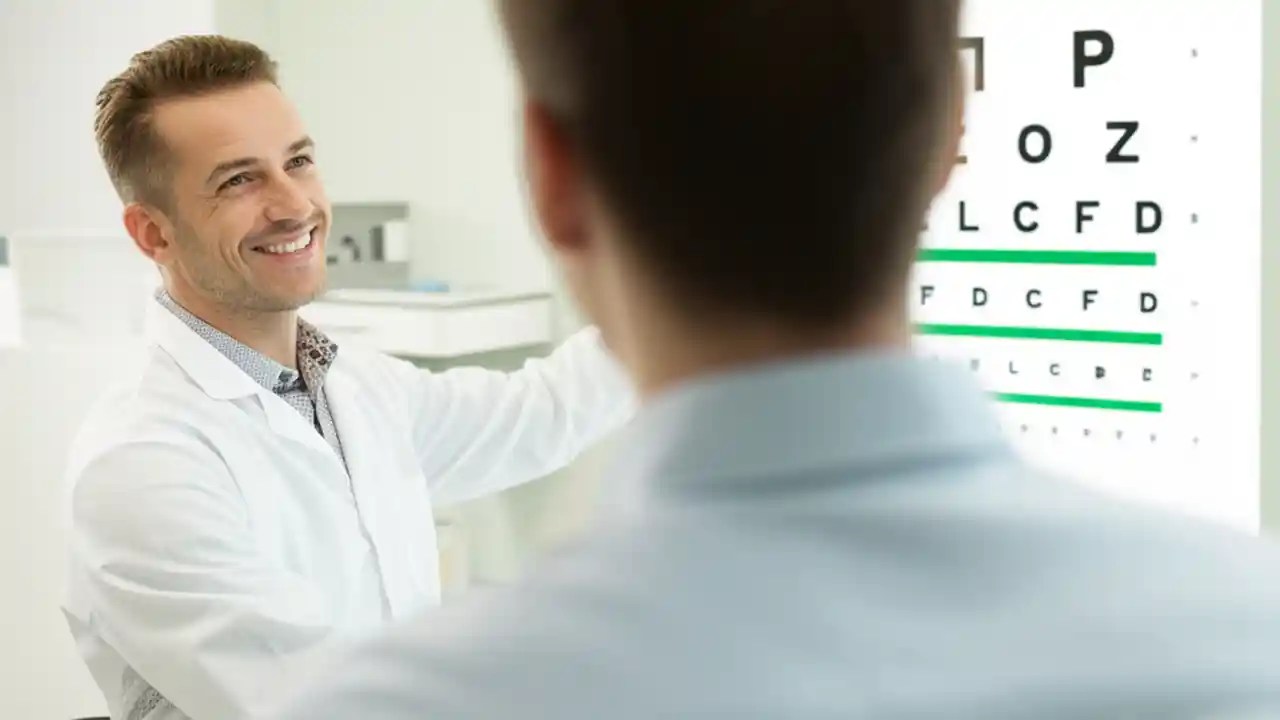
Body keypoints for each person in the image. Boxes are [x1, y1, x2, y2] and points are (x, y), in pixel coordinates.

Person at [269, 1, 1280, 718]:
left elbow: (535, 411)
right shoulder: (1248, 630)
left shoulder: (407, 703)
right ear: (947, 144)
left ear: (547, 172)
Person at [62, 35, 634, 720]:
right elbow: (322, 702)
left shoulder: (348, 385)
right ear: (153, 234)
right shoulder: (139, 461)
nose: (293, 204)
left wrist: (678, 287)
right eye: (239, 180)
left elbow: (539, 415)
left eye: (298, 161)